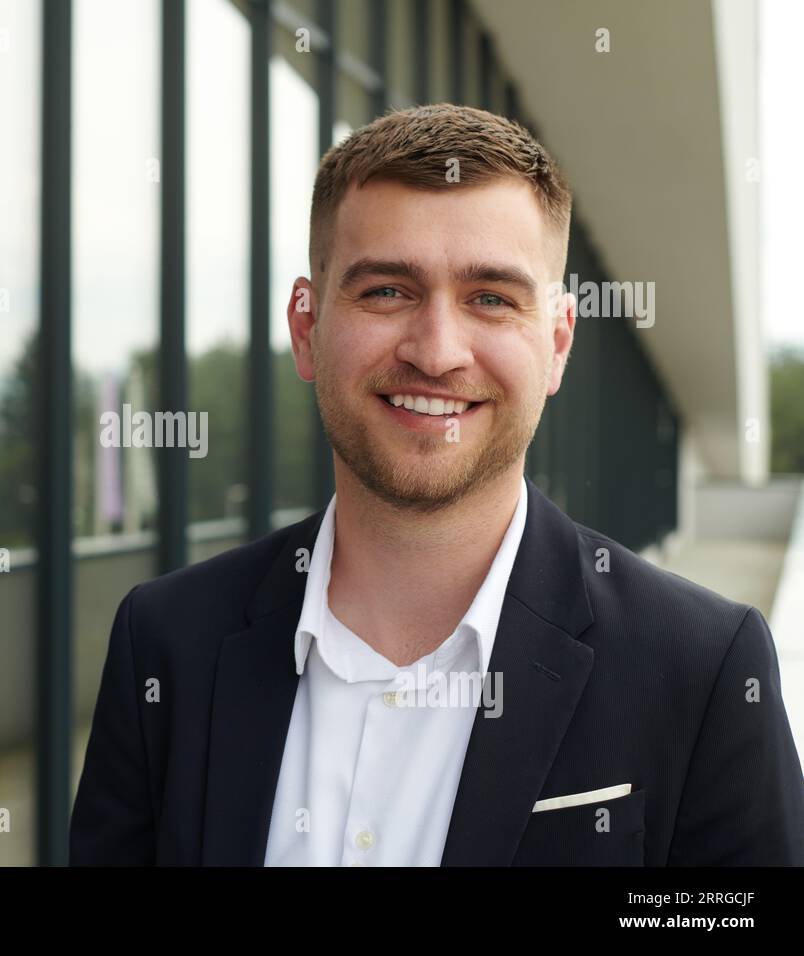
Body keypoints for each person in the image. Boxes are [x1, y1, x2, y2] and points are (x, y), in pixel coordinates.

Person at [69, 104, 804, 866]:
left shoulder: (703, 670)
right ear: (306, 327)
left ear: (556, 344)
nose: (437, 352)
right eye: (387, 290)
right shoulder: (164, 646)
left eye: (491, 297)